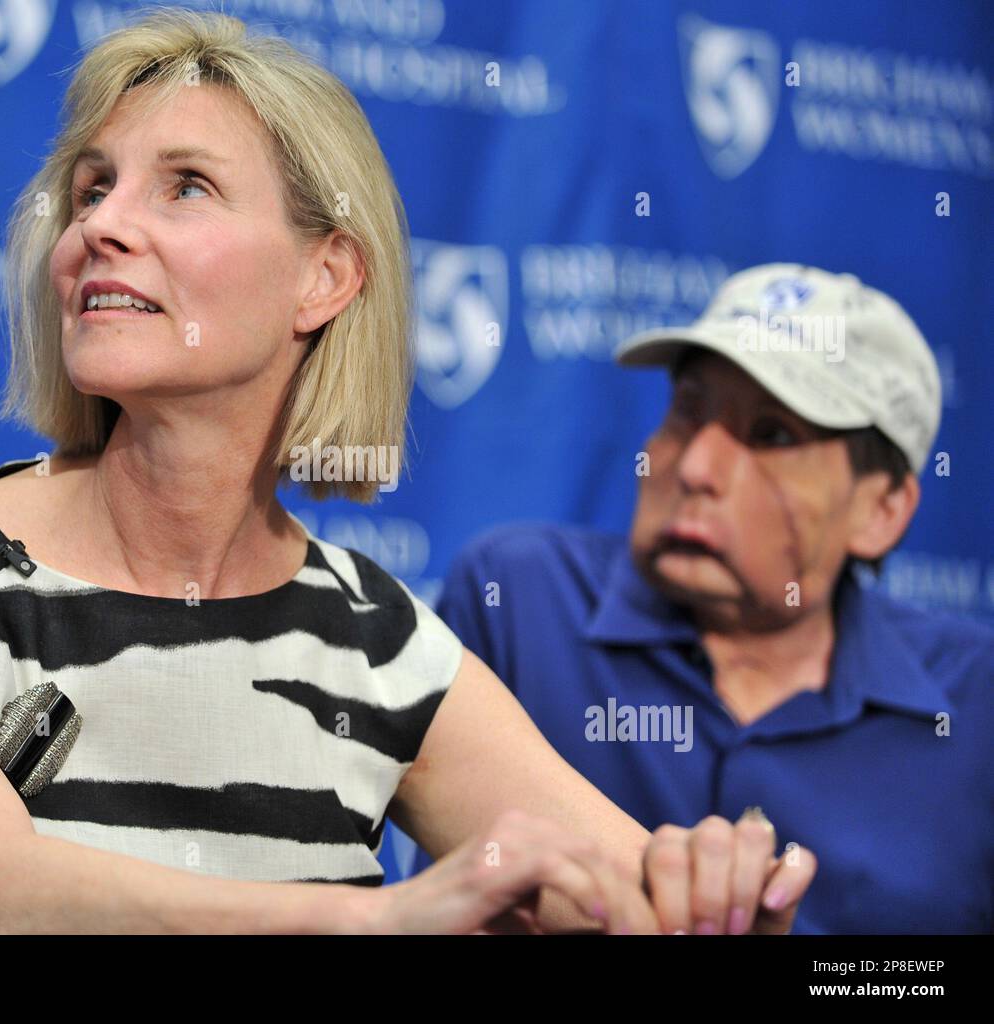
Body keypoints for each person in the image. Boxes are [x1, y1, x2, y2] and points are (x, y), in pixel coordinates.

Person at [0, 10, 813, 935]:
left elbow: (627, 893)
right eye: (92, 188)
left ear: (324, 277)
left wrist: (708, 894)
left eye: (184, 186)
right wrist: (374, 924)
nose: (99, 225)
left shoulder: (375, 637)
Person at [414, 262, 993, 933]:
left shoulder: (975, 699)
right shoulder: (518, 599)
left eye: (772, 434)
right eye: (688, 410)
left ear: (882, 510)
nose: (695, 469)